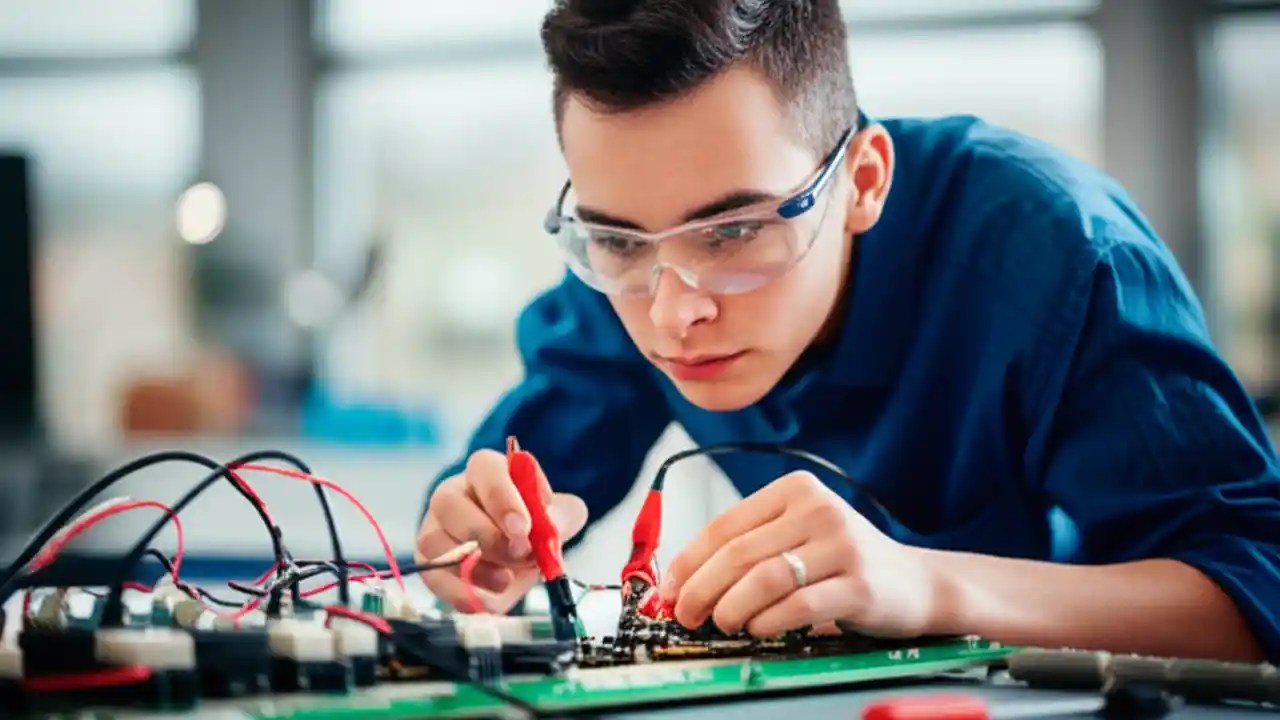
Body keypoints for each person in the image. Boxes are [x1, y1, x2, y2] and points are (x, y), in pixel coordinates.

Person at [415, 0, 1280, 663]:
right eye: (614, 238)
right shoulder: (621, 282)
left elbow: (1258, 585)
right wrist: (473, 548)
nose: (672, 314)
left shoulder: (1061, 252)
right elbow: (475, 530)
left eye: (734, 231)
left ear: (862, 181)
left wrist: (924, 582)